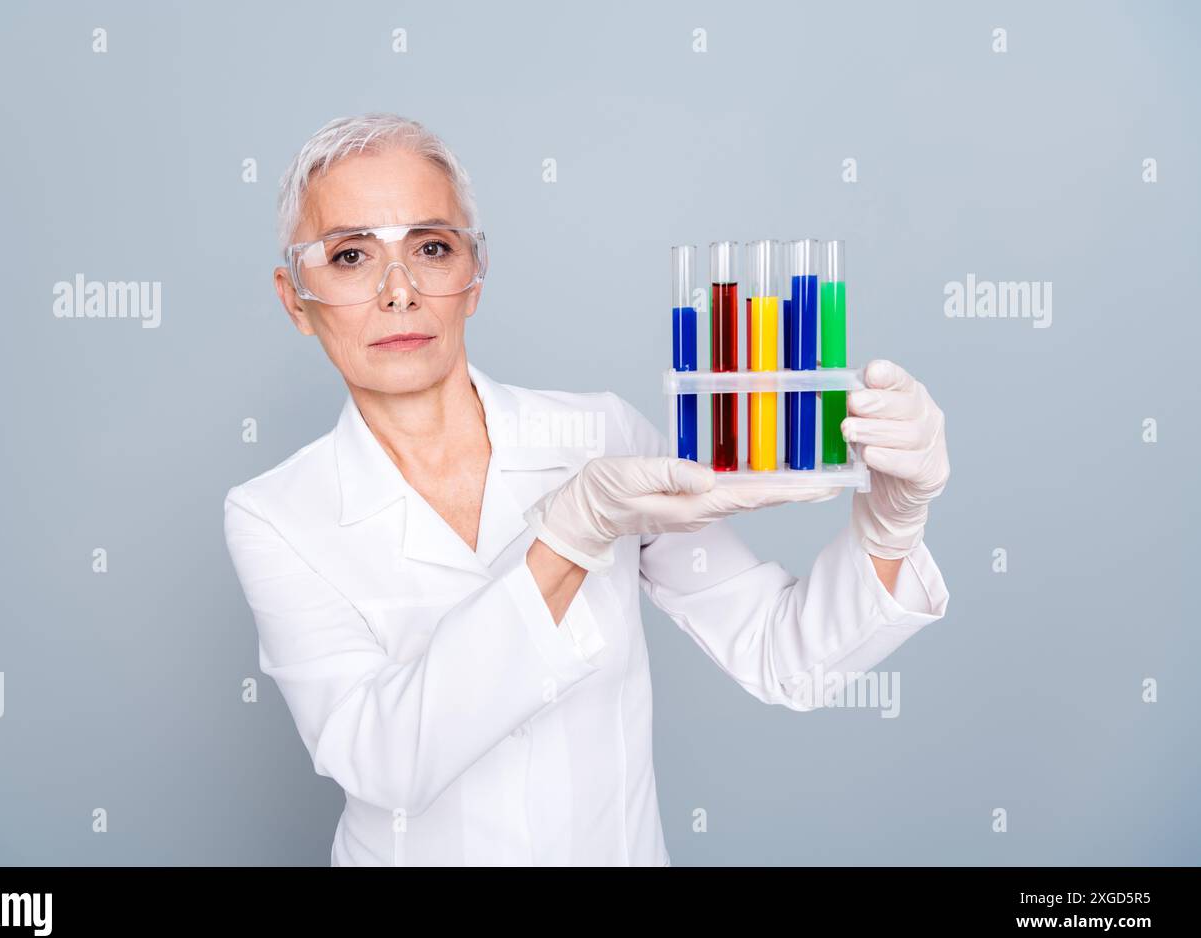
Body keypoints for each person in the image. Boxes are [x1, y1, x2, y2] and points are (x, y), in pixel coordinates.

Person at [223, 112, 951, 866]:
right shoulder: (275, 516)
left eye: (431, 248)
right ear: (294, 298)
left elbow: (782, 654)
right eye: (350, 255)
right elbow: (384, 762)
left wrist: (891, 526)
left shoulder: (601, 437)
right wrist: (566, 535)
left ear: (473, 276)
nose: (399, 291)